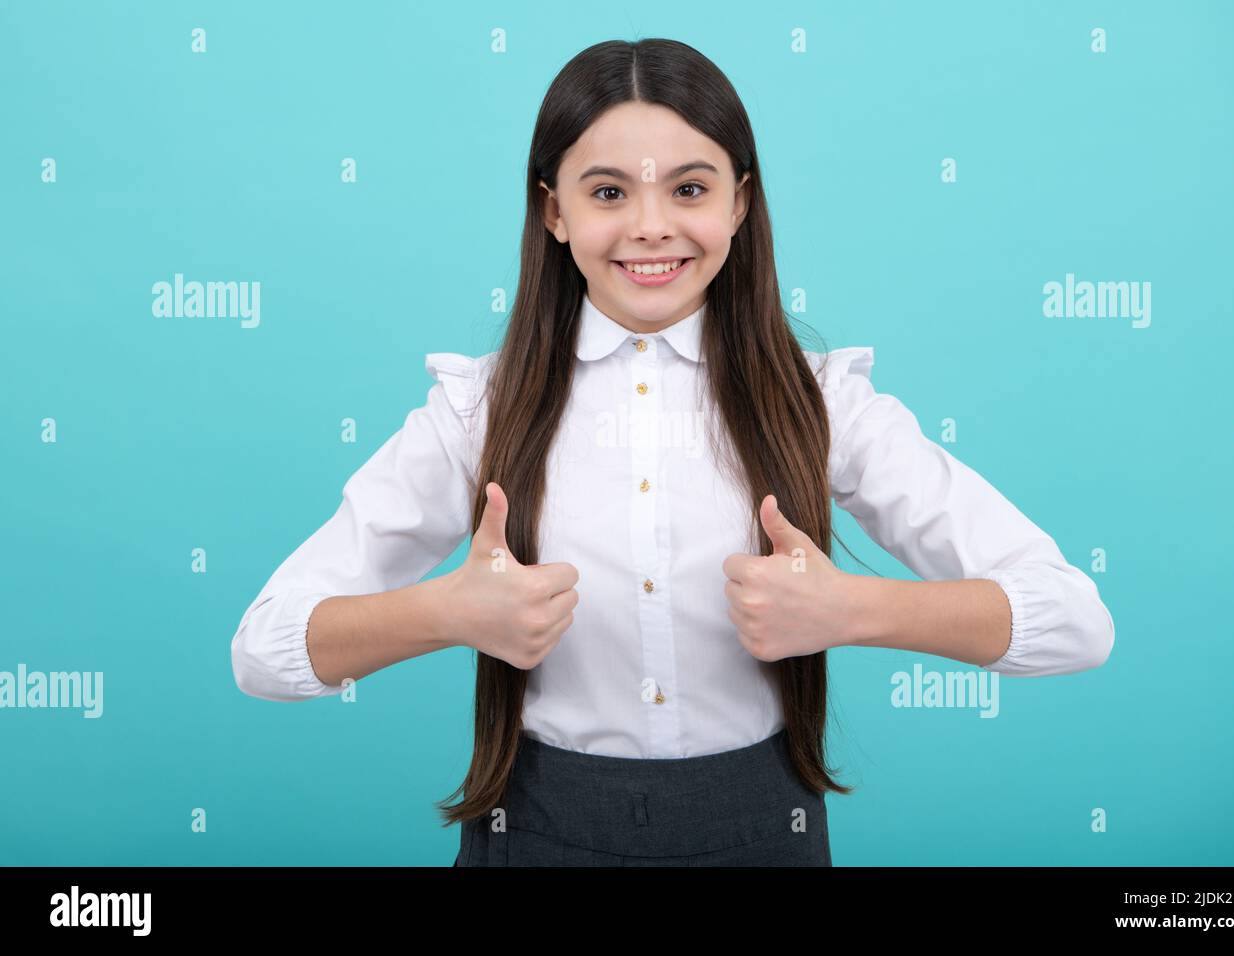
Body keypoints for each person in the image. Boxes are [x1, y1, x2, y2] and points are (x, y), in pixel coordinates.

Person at [230, 38, 1115, 867]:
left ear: (739, 200)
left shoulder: (824, 401)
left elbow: (1074, 619)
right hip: (534, 834)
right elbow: (264, 649)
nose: (651, 227)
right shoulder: (477, 410)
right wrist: (449, 614)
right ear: (555, 212)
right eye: (608, 192)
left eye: (689, 189)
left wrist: (854, 610)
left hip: (765, 833)